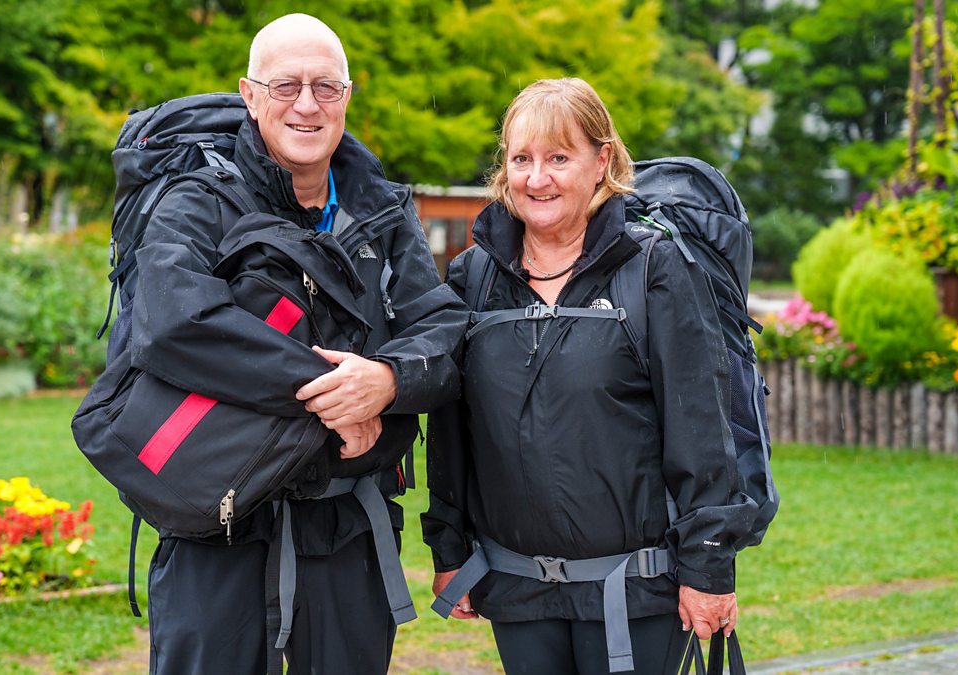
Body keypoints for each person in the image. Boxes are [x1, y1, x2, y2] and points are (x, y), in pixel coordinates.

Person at [132, 13, 468, 675]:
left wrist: (388, 380)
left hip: (348, 532)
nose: (308, 105)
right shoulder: (195, 199)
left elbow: (444, 332)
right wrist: (338, 399)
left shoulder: (383, 210)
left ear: (349, 97)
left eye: (327, 86)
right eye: (285, 86)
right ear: (248, 95)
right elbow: (174, 323)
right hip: (216, 527)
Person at [422, 78, 757, 674]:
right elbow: (453, 431)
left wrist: (708, 569)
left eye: (558, 157)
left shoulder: (654, 269)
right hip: (519, 588)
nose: (536, 178)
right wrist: (450, 548)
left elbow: (701, 429)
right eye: (522, 159)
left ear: (602, 161)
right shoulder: (472, 278)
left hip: (638, 590)